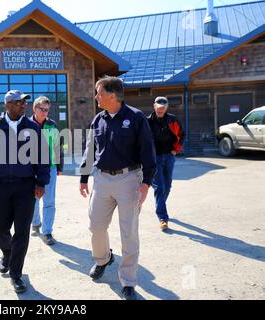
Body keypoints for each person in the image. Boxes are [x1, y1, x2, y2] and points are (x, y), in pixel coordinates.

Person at [79, 76, 156, 300]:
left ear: (112, 95)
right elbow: (90, 149)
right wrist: (84, 177)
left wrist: (146, 183)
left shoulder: (136, 118)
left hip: (129, 179)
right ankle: (103, 259)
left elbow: (148, 151)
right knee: (96, 226)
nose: (96, 97)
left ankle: (128, 281)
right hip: (101, 179)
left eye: (99, 93)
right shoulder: (98, 120)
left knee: (128, 232)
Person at [0, 90, 50, 293]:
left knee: (22, 232)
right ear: (7, 105)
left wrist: (42, 182)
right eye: (18, 103)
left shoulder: (32, 127)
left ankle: (16, 274)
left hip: (26, 186)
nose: (23, 105)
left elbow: (42, 156)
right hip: (0, 185)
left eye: (24, 103)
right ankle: (7, 253)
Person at [30, 96, 64, 246]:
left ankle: (47, 231)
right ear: (34, 108)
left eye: (46, 110)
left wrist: (59, 166)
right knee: (33, 199)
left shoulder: (52, 125)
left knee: (49, 200)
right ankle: (36, 223)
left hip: (49, 168)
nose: (44, 112)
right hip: (30, 169)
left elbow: (57, 146)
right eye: (41, 109)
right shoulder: (26, 125)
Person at [147, 96, 185, 231]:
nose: (161, 109)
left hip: (169, 156)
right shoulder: (148, 121)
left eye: (163, 107)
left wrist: (176, 150)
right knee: (160, 187)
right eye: (159, 107)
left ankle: (160, 204)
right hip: (155, 158)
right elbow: (142, 140)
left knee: (167, 186)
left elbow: (182, 134)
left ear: (166, 108)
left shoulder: (173, 120)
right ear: (154, 106)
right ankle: (163, 218)